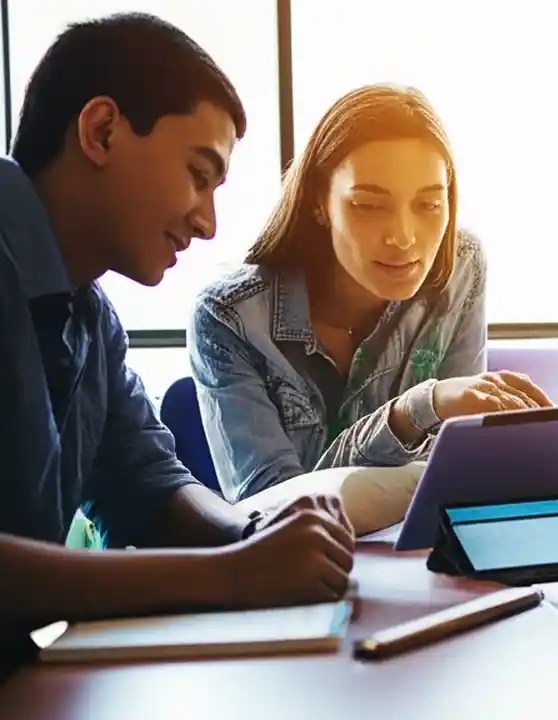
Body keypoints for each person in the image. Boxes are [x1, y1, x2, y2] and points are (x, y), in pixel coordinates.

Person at [0, 13, 354, 678]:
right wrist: (232, 574)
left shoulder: (90, 321)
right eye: (198, 174)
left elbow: (149, 486)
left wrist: (257, 534)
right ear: (101, 131)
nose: (207, 223)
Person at [190, 84, 551, 502]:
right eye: (368, 205)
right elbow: (278, 507)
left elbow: (457, 467)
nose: (404, 237)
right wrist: (414, 410)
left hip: (419, 541)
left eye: (429, 205)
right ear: (319, 202)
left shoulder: (460, 266)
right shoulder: (230, 316)